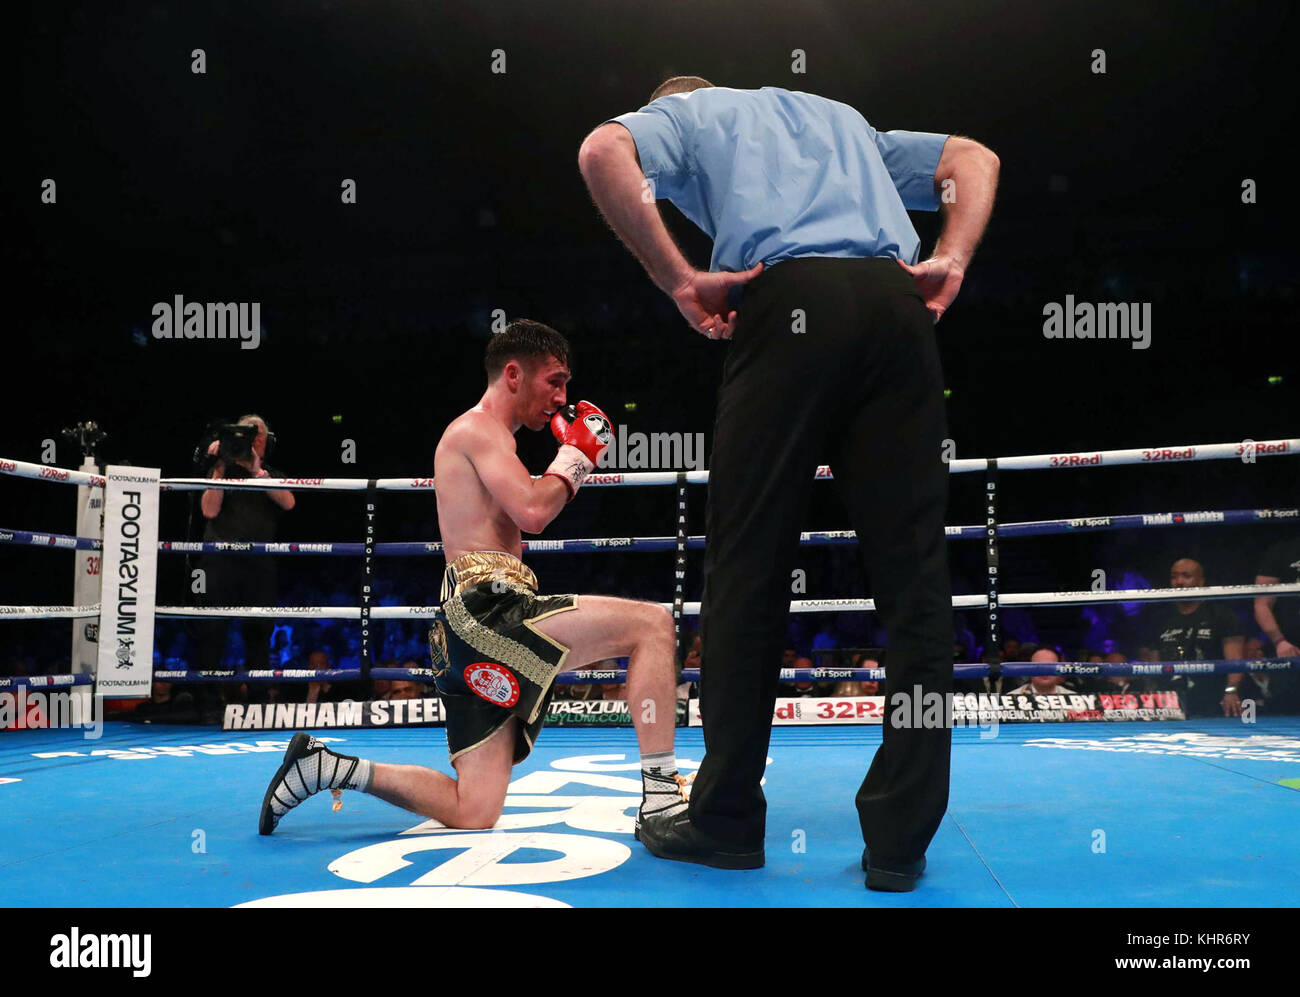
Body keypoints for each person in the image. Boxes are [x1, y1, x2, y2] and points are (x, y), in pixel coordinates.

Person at [579, 77, 998, 886]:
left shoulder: (691, 111)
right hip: (894, 308)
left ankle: (727, 818)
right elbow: (971, 156)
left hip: (791, 306)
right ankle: (900, 843)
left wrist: (676, 277)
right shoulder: (845, 120)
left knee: (746, 568)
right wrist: (952, 257)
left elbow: (602, 149)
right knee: (915, 584)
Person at [259, 320, 687, 841]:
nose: (563, 397)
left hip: (470, 623)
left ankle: (325, 768)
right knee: (653, 625)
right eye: (554, 381)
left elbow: (527, 505)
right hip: (488, 609)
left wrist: (570, 463)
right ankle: (663, 797)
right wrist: (576, 459)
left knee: (474, 808)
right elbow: (533, 511)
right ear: (513, 374)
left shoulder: (493, 441)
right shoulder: (476, 431)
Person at [1141, 558, 1244, 716]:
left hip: (1211, 698)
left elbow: (1235, 659)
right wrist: (1151, 693)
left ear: (1201, 581)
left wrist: (1231, 690)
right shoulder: (1160, 617)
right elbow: (1153, 661)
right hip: (1169, 703)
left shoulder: (1220, 615)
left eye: (1186, 576)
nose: (1179, 582)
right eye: (1174, 577)